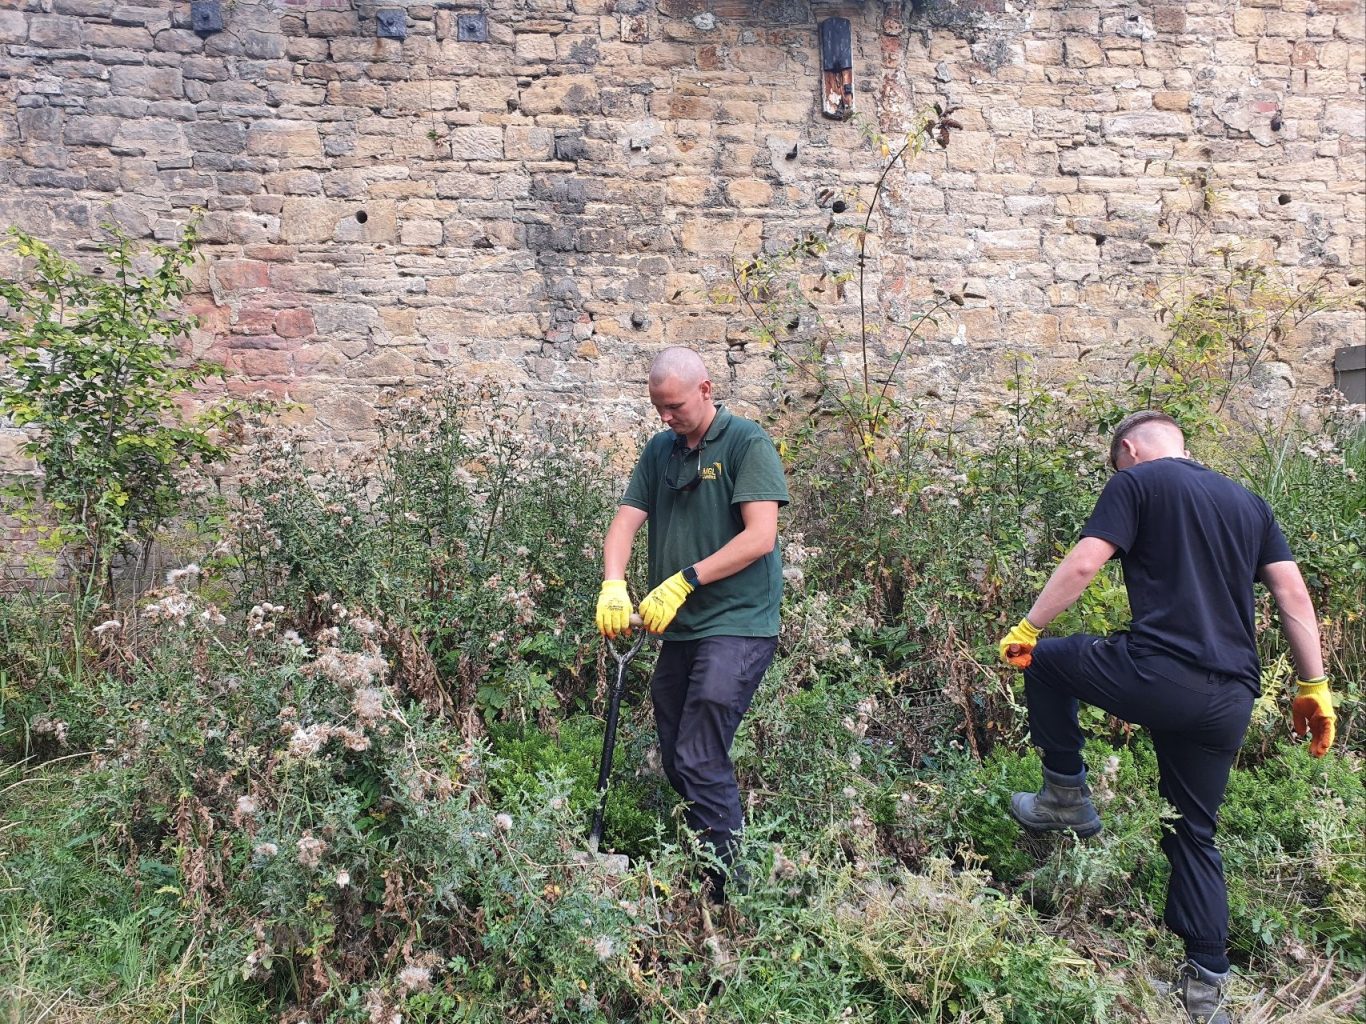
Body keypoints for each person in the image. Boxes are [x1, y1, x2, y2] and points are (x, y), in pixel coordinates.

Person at [996, 410, 1336, 1024]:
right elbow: (1294, 595)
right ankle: (1208, 990)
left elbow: (1084, 563)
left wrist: (1028, 628)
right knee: (1193, 831)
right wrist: (1313, 683)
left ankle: (1066, 794)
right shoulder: (1248, 502)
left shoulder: (1136, 482)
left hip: (1162, 673)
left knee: (1043, 664)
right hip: (1232, 697)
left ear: (1128, 450)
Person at [595, 346, 789, 901]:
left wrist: (685, 580)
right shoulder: (661, 451)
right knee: (679, 752)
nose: (665, 417)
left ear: (705, 390)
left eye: (674, 406)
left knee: (699, 751)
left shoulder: (747, 442)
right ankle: (718, 850)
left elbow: (759, 537)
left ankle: (733, 891)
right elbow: (625, 524)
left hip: (738, 623)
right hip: (678, 631)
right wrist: (614, 582)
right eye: (658, 407)